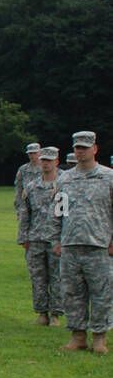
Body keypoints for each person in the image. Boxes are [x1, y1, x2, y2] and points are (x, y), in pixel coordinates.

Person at [54, 131, 113, 353]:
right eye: (77, 148)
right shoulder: (65, 179)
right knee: (72, 293)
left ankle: (99, 337)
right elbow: (57, 213)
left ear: (95, 149)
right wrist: (57, 240)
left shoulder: (108, 177)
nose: (80, 152)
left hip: (99, 245)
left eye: (84, 148)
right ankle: (78, 336)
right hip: (70, 245)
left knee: (102, 293)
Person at [18, 147, 63, 326]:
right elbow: (25, 213)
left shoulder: (63, 185)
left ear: (56, 162)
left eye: (49, 160)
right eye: (43, 160)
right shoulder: (31, 187)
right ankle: (42, 313)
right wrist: (24, 238)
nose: (45, 163)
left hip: (55, 240)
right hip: (35, 238)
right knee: (38, 278)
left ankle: (56, 314)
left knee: (57, 278)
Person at [14, 142, 42, 211]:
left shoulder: (45, 168)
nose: (32, 155)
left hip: (42, 205)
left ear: (40, 153)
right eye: (30, 153)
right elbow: (19, 189)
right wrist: (18, 208)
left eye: (35, 153)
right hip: (26, 205)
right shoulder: (23, 169)